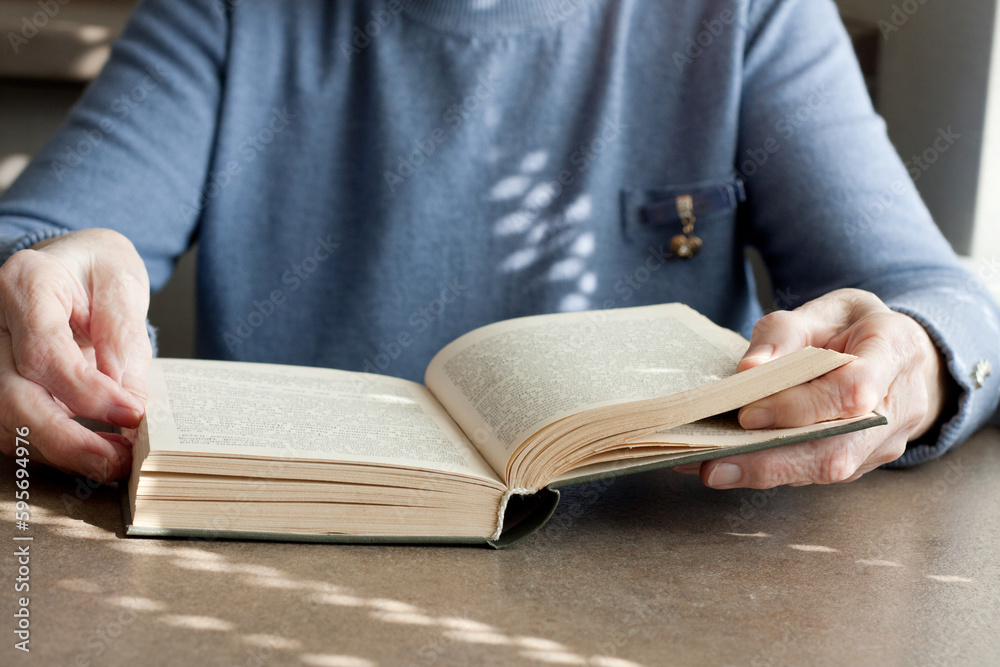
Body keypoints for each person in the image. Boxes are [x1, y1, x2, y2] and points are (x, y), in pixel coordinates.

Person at [0, 0, 997, 489]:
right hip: (282, 564)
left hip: (658, 591)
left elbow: (932, 300)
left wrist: (912, 357)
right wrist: (31, 289)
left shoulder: (744, 14)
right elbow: (39, 240)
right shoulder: (227, 12)